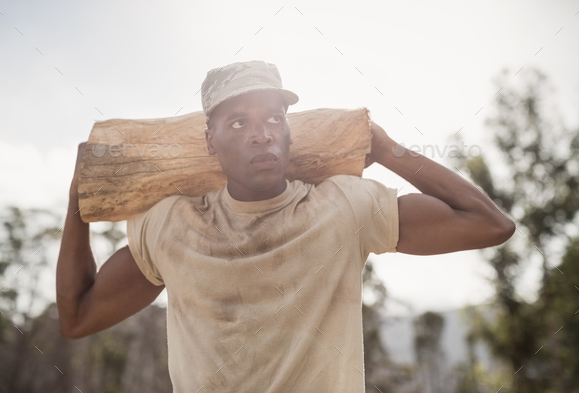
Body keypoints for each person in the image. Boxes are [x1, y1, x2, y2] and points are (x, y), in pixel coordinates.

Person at [56, 60, 515, 392]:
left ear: (290, 132)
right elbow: (77, 317)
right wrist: (81, 193)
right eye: (238, 122)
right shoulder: (173, 224)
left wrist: (389, 150)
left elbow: (489, 225)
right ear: (209, 142)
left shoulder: (344, 207)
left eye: (274, 118)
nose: (262, 133)